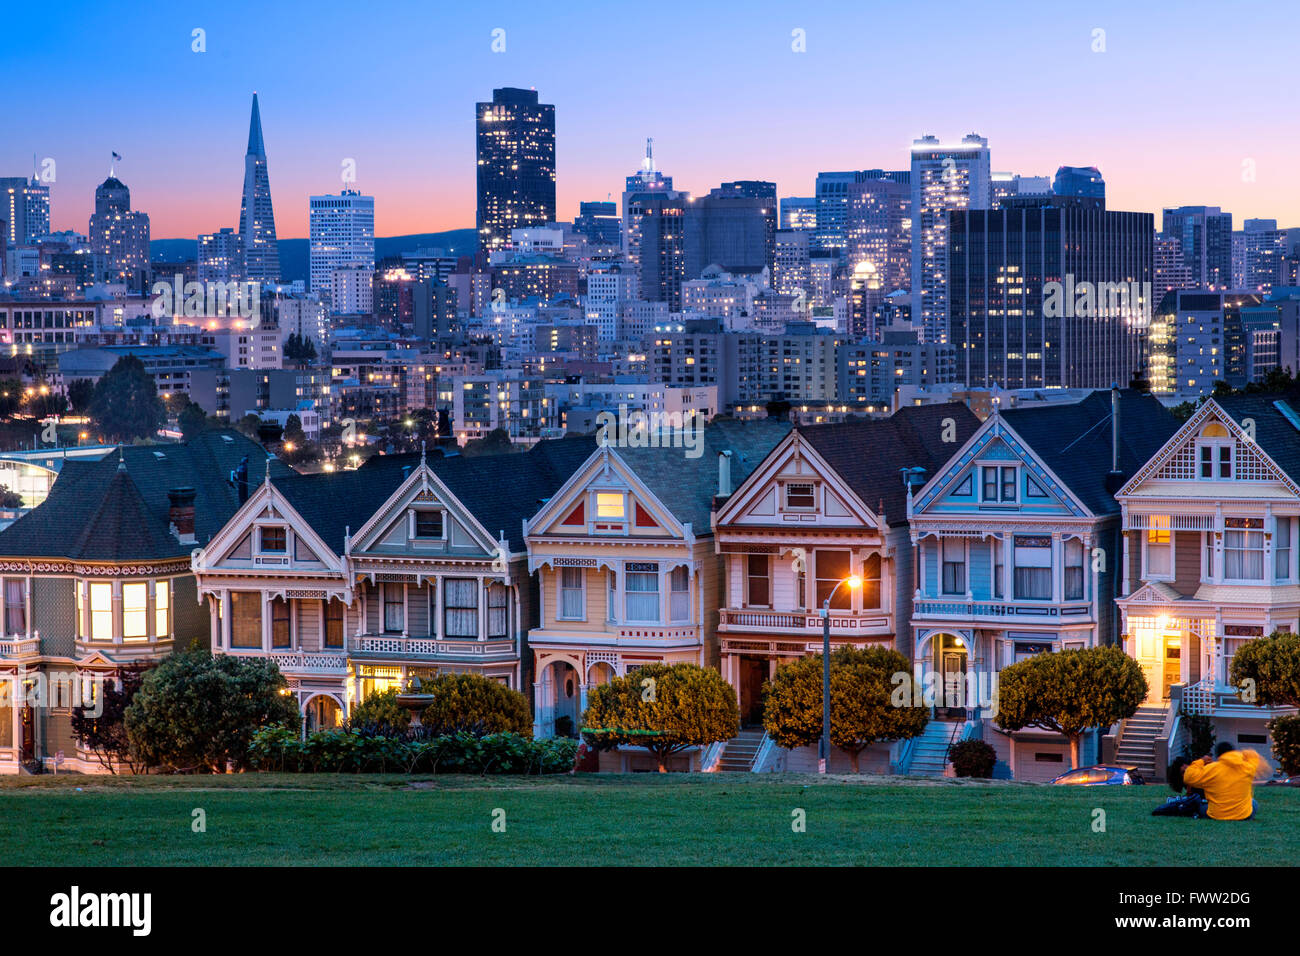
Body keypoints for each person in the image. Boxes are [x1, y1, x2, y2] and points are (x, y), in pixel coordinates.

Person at [1181, 742, 1269, 821]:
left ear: (1218, 755)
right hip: (1243, 815)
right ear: (1233, 752)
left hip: (1217, 815)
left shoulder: (1211, 769)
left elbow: (1188, 777)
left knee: (1201, 805)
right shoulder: (1247, 767)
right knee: (1253, 802)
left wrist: (1201, 761)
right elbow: (1254, 757)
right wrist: (1242, 754)